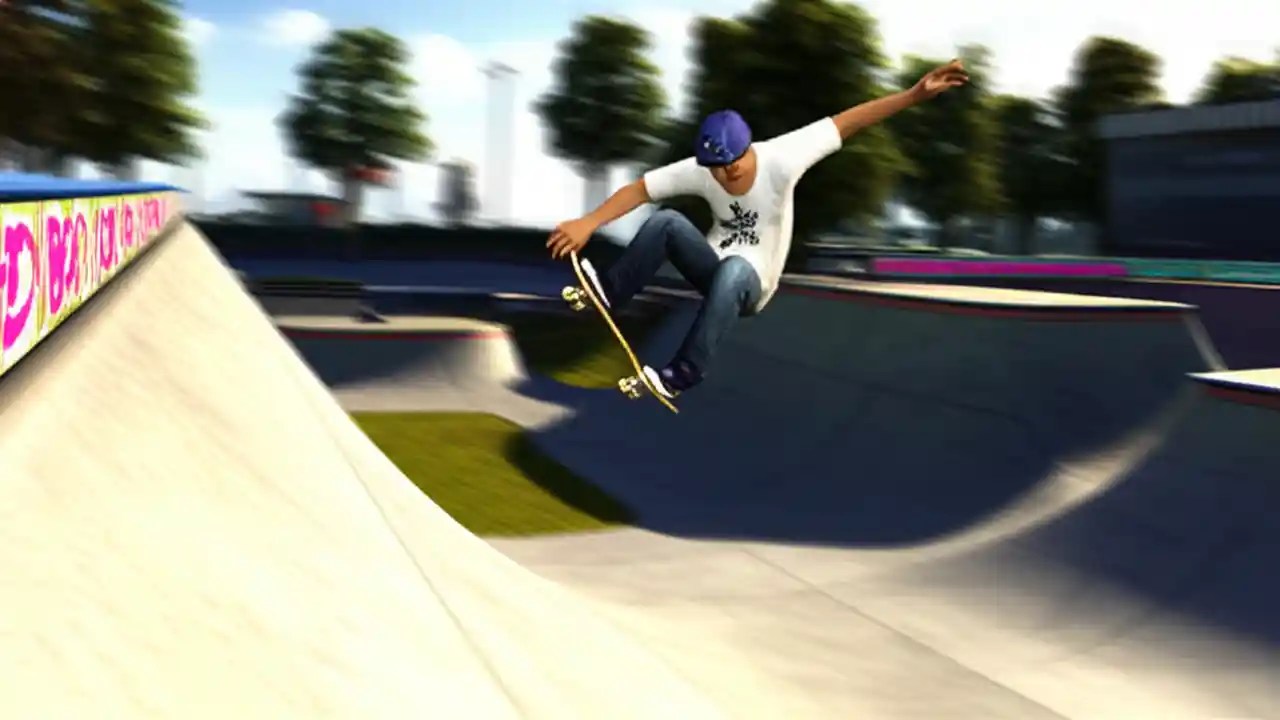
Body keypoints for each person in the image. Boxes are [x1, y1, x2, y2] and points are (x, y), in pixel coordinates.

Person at [548, 59, 969, 399]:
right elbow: (640, 190)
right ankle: (611, 292)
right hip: (712, 269)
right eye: (717, 170)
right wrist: (589, 222)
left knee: (733, 268)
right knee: (666, 221)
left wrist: (914, 96)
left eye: (733, 164)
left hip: (753, 282)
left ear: (748, 149)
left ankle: (683, 372)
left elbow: (848, 122)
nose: (726, 175)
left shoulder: (784, 157)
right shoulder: (702, 171)